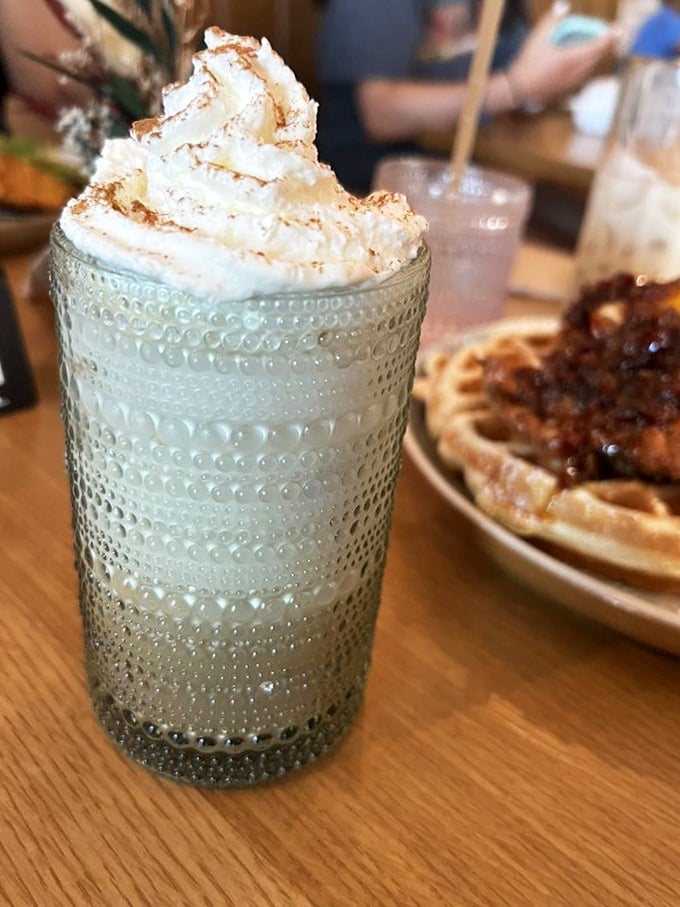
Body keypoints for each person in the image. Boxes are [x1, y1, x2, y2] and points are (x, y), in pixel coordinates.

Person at [315, 0, 616, 193]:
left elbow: (516, 69)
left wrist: (557, 65)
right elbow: (381, 114)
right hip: (363, 189)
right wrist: (518, 86)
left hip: (469, 174)